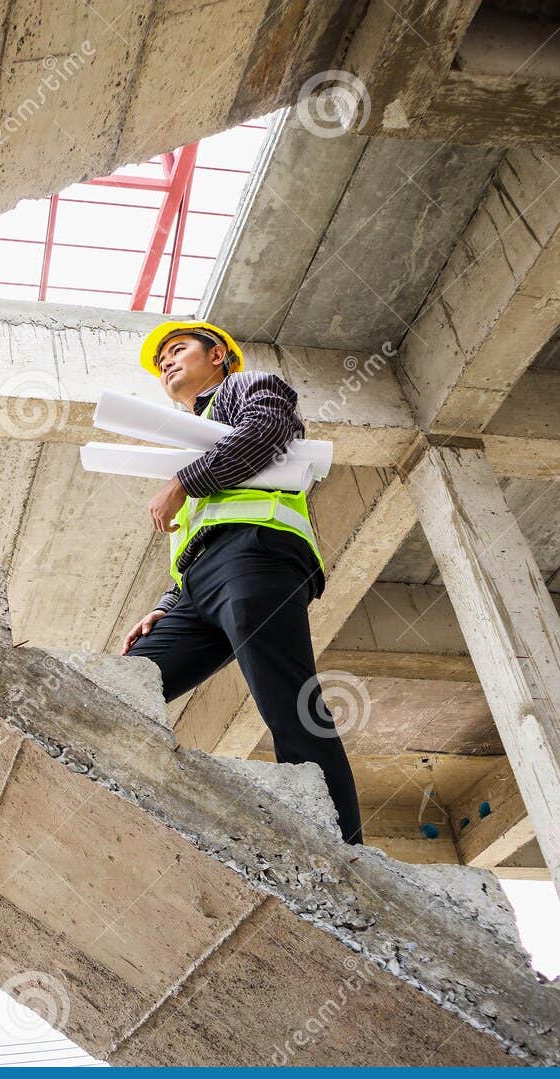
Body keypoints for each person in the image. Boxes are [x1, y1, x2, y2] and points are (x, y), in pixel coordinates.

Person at [120, 320, 363, 844]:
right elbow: (196, 532)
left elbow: (267, 433)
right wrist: (167, 602)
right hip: (196, 589)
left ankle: (343, 848)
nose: (166, 362)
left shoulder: (246, 386)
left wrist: (183, 482)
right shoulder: (191, 440)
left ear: (218, 357)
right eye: (160, 360)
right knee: (123, 683)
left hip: (256, 555)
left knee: (287, 702)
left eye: (177, 349)